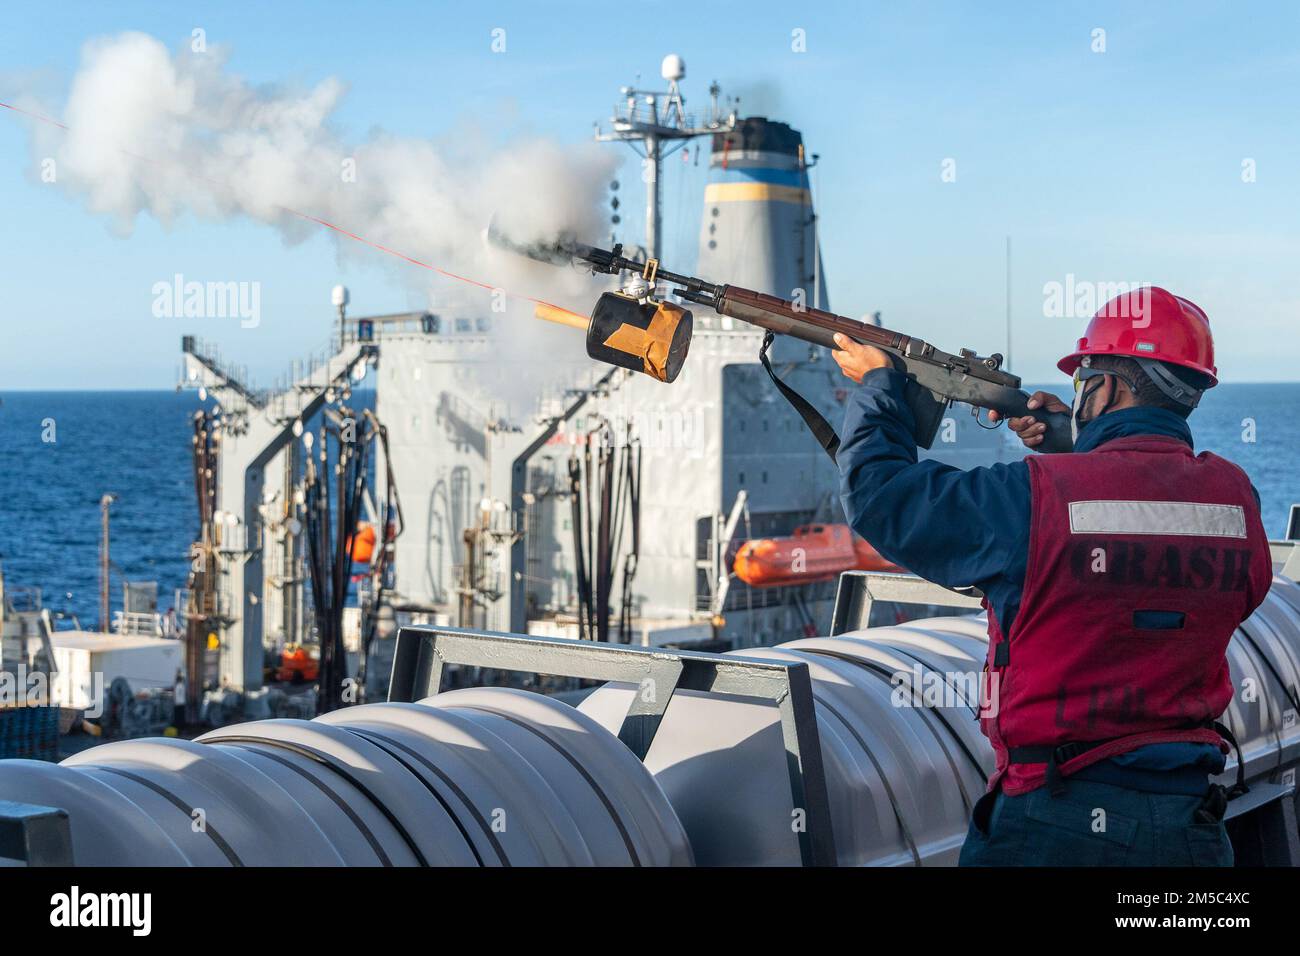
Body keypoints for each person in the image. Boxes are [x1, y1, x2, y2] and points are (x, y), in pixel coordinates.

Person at [830, 287, 1272, 866]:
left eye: (1082, 380)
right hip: (1190, 828)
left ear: (1105, 386)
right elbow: (1177, 559)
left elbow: (882, 498)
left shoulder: (1036, 497)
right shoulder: (1234, 499)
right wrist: (1076, 447)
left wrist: (880, 388)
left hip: (1054, 821)